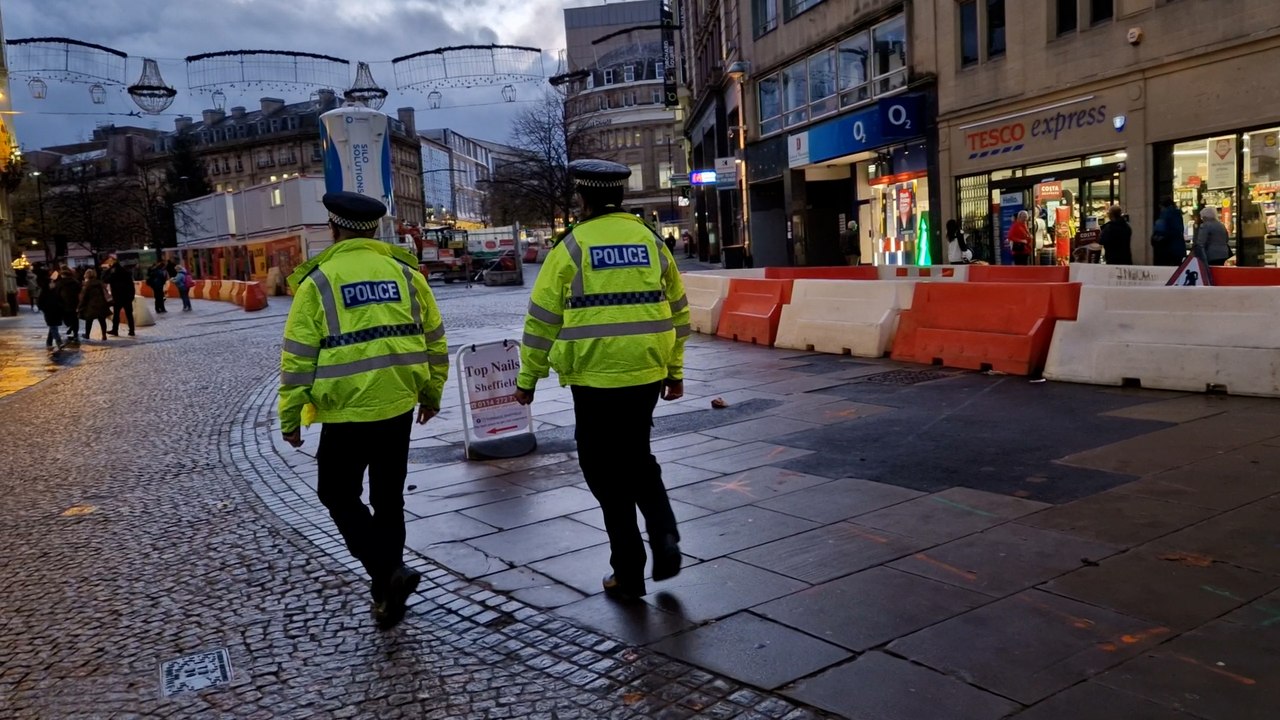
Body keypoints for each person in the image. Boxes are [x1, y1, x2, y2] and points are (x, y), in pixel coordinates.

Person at [515, 159, 691, 603]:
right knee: (637, 455)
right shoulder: (652, 242)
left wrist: (528, 378)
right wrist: (674, 370)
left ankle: (627, 569)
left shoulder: (570, 247)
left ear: (583, 197)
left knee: (603, 470)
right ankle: (663, 531)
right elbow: (679, 310)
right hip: (647, 370)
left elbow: (541, 321)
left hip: (594, 377)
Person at [278, 191, 449, 630]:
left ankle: (387, 574)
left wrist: (291, 416)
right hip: (397, 405)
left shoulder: (318, 281)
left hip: (345, 412)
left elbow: (298, 355)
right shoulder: (406, 275)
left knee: (337, 494)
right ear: (374, 229)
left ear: (333, 229)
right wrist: (431, 393)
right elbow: (434, 339)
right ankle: (388, 590)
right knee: (388, 500)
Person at [1152, 197, 1186, 267]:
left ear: (1162, 206)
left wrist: (1155, 239)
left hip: (1167, 249)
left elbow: (1160, 230)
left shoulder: (1165, 214)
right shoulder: (1177, 214)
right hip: (1178, 248)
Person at [106, 259, 136, 337]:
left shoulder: (113, 275)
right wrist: (132, 296)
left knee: (116, 314)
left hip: (117, 297)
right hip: (127, 297)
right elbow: (131, 286)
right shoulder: (127, 273)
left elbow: (104, 279)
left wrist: (109, 269)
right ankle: (132, 330)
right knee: (129, 314)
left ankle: (115, 330)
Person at [78, 268, 111, 341]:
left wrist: (79, 307)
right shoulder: (99, 283)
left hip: (91, 306)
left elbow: (84, 298)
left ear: (86, 276)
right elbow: (105, 293)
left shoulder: (87, 285)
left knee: (89, 321)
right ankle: (104, 335)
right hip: (101, 304)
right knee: (102, 320)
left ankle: (87, 335)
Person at [37, 273, 64, 352]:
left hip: (56, 312)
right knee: (53, 327)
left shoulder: (54, 291)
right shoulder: (43, 293)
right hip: (49, 312)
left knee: (53, 327)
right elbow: (40, 303)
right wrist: (45, 309)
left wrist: (60, 306)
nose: (53, 284)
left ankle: (49, 343)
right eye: (51, 282)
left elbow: (60, 300)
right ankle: (59, 342)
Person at [56, 265, 82, 346]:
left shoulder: (60, 283)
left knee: (66, 318)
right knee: (75, 318)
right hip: (74, 302)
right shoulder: (75, 282)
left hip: (64, 303)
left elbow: (57, 293)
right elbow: (79, 290)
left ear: (62, 275)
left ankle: (70, 326)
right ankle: (75, 332)